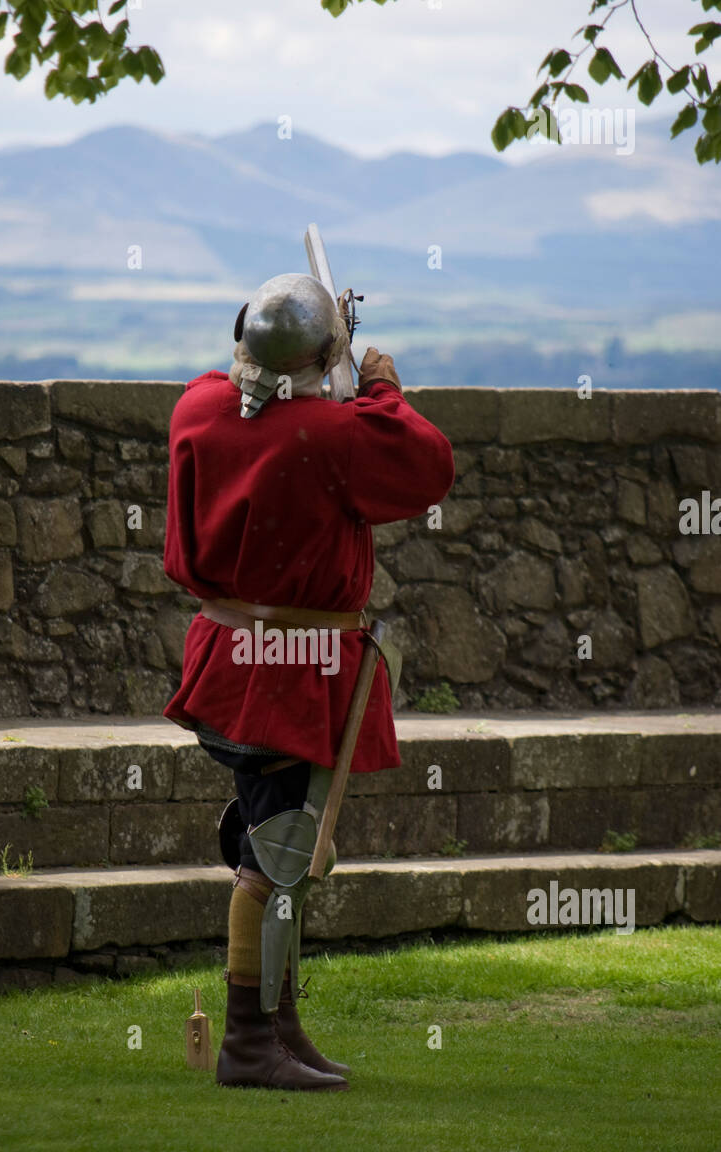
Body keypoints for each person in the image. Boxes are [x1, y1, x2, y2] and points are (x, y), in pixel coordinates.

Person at [162, 272, 454, 1093]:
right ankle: (249, 1044)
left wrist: (325, 361)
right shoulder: (331, 434)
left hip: (229, 658)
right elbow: (426, 464)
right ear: (317, 361)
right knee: (281, 854)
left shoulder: (199, 407)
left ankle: (280, 1027)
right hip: (289, 672)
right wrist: (379, 382)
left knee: (287, 845)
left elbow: (235, 384)